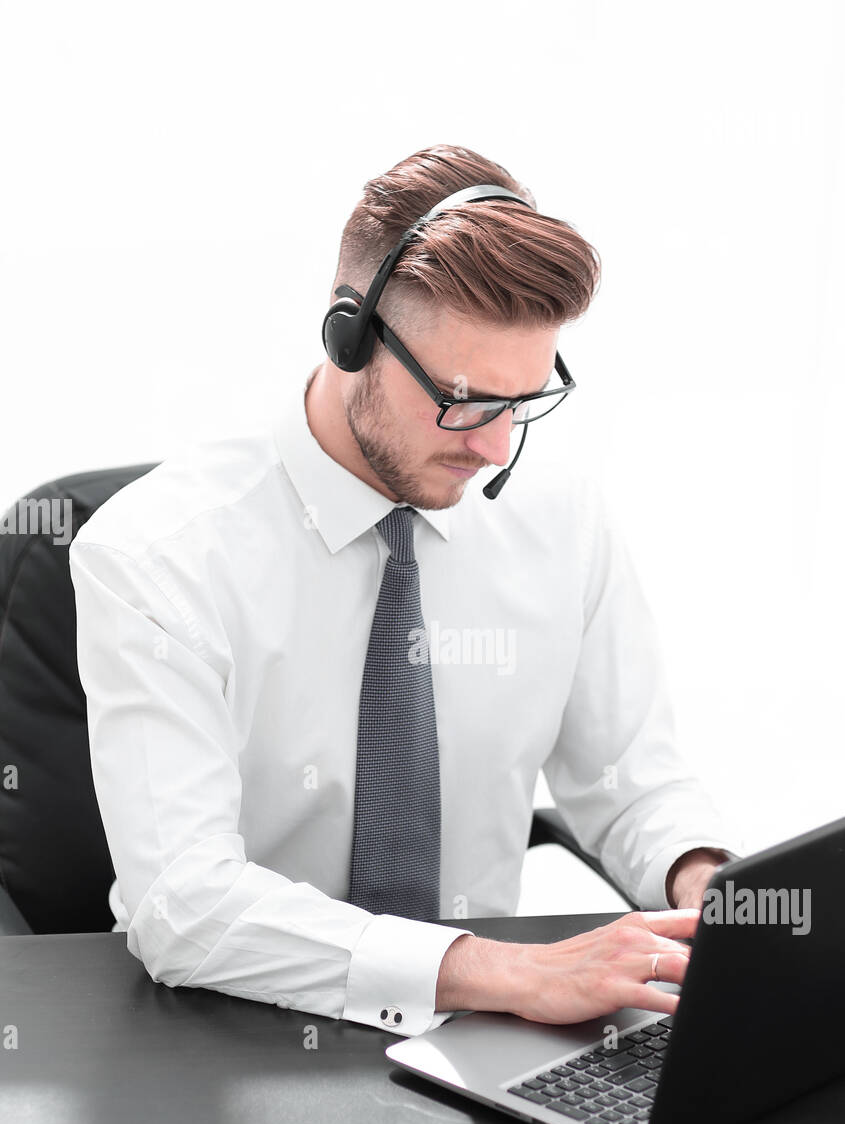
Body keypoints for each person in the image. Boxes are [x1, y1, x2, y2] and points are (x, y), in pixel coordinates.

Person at [69, 143, 735, 1039]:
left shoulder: (561, 522)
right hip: (231, 1034)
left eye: (522, 402)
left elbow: (630, 786)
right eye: (463, 402)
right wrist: (506, 971)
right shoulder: (159, 556)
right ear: (351, 338)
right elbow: (183, 907)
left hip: (489, 1036)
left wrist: (710, 886)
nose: (495, 447)